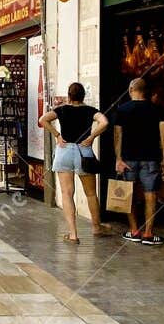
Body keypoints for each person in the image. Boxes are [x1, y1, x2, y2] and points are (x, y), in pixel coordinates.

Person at [40, 83, 111, 244]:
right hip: (83, 152)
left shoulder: (62, 110)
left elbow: (43, 120)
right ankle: (96, 227)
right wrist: (92, 137)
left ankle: (73, 235)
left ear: (69, 96)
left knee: (67, 193)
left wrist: (57, 135)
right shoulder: (90, 110)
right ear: (83, 95)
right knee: (91, 193)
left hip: (64, 151)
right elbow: (105, 122)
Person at [113, 76, 164, 246]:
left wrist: (118, 158)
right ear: (145, 92)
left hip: (128, 158)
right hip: (151, 158)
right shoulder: (157, 109)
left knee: (128, 192)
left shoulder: (122, 109)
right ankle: (148, 233)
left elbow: (118, 135)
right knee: (150, 195)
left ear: (131, 90)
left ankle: (134, 230)